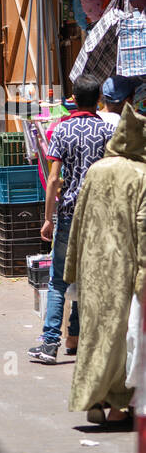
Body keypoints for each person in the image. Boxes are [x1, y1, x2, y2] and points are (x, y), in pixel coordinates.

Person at [64, 100, 146, 426]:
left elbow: (78, 221)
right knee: (122, 336)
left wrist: (70, 269)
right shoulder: (142, 175)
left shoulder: (96, 170)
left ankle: (92, 398)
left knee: (94, 334)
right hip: (124, 270)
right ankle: (117, 407)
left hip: (92, 268)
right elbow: (143, 226)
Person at [28, 74, 118, 365]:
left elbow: (54, 179)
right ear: (99, 101)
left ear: (74, 100)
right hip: (99, 215)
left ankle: (50, 343)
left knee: (59, 281)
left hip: (68, 215)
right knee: (90, 279)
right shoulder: (107, 132)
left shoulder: (62, 131)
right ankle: (78, 339)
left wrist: (48, 219)